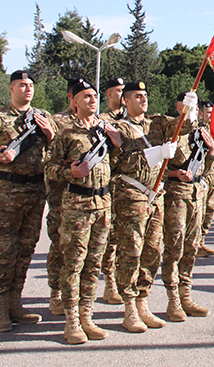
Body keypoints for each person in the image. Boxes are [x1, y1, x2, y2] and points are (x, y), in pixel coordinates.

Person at [0, 70, 57, 332]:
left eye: (30, 85)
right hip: (7, 191)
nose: (27, 89)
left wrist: (51, 136)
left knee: (26, 248)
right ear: (11, 89)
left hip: (36, 192)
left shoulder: (43, 118)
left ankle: (15, 302)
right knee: (3, 249)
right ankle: (0, 309)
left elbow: (58, 153)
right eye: (22, 85)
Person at [110, 81, 196, 333]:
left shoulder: (156, 122)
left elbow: (184, 127)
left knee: (151, 252)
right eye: (137, 96)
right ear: (125, 100)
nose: (143, 99)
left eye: (145, 95)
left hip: (156, 196)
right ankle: (129, 308)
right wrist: (157, 153)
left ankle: (142, 301)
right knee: (131, 252)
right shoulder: (119, 127)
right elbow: (120, 161)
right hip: (131, 195)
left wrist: (189, 108)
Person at [46, 78, 122, 344]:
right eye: (86, 96)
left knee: (93, 265)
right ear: (74, 101)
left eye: (95, 96)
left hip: (103, 205)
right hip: (77, 206)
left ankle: (87, 317)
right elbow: (49, 168)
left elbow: (122, 164)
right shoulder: (66, 133)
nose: (92, 100)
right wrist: (70, 171)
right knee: (74, 264)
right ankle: (71, 322)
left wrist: (118, 142)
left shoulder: (105, 132)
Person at [160, 94, 213, 321]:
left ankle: (186, 296)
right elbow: (153, 167)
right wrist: (174, 173)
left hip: (196, 194)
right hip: (175, 195)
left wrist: (210, 150)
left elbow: (207, 166)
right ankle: (173, 300)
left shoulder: (198, 133)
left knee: (191, 248)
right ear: (178, 106)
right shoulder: (168, 129)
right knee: (174, 248)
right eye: (187, 107)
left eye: (194, 107)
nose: (192, 111)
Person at [46, 79, 79, 316]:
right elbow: (49, 158)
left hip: (86, 198)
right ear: (71, 97)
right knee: (59, 244)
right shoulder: (57, 122)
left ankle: (77, 298)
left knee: (80, 249)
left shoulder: (95, 123)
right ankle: (56, 293)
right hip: (60, 194)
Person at [99, 77, 125, 305]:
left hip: (134, 190)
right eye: (118, 91)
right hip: (113, 186)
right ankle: (110, 283)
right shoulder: (102, 121)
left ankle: (125, 281)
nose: (122, 94)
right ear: (108, 94)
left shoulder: (135, 119)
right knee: (112, 238)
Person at [196, 100, 214, 258]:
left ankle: (201, 241)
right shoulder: (195, 129)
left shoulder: (213, 129)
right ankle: (195, 243)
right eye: (208, 112)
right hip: (200, 175)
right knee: (199, 212)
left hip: (213, 175)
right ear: (199, 112)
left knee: (210, 210)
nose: (211, 116)